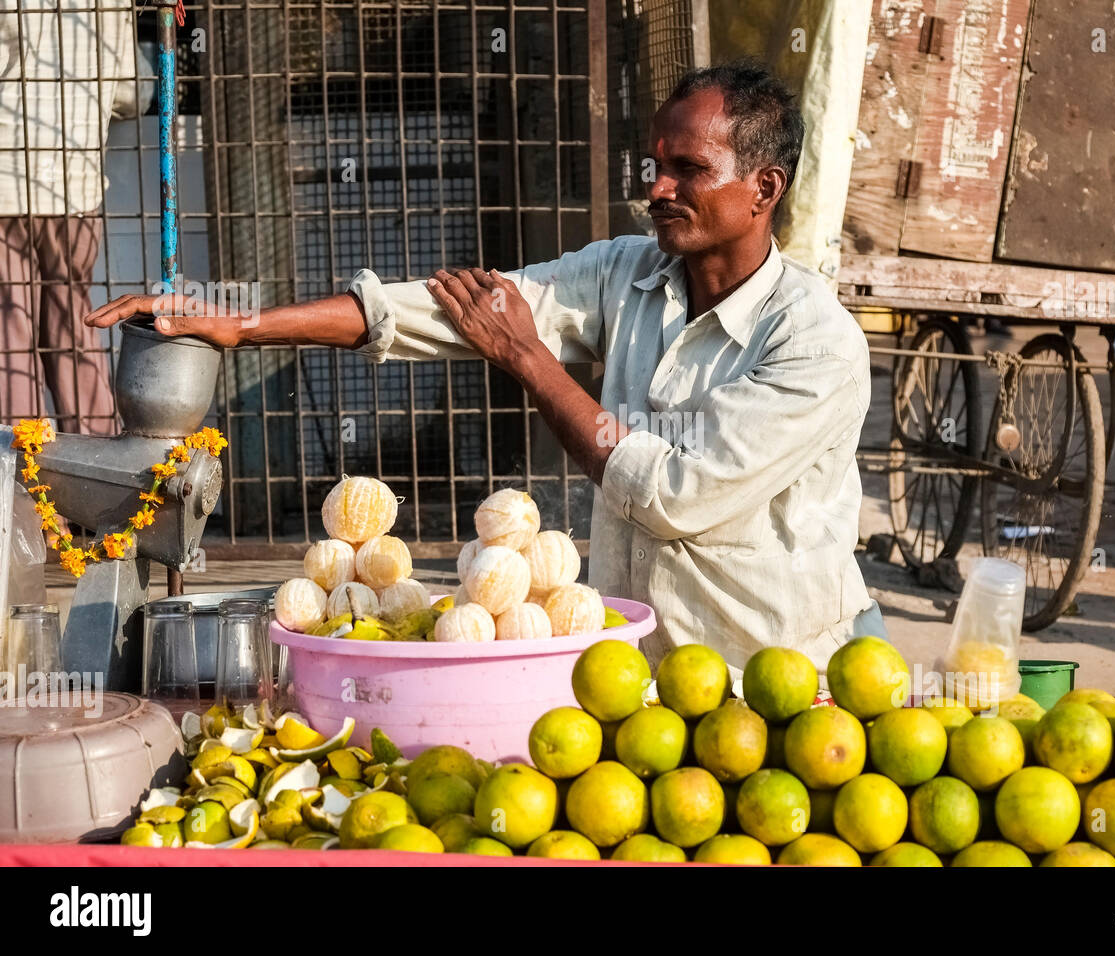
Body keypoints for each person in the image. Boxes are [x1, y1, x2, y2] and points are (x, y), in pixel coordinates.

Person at [86, 61, 887, 672]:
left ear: (764, 188)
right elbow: (446, 310)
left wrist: (529, 360)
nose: (659, 187)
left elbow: (672, 492)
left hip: (777, 678)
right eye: (655, 164)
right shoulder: (628, 273)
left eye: (689, 170)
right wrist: (243, 323)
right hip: (638, 674)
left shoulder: (815, 344)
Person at [0, 2, 142, 435]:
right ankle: (94, 460)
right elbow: (131, 93)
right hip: (74, 181)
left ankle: (18, 469)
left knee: (11, 330)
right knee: (73, 323)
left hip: (5, 177)